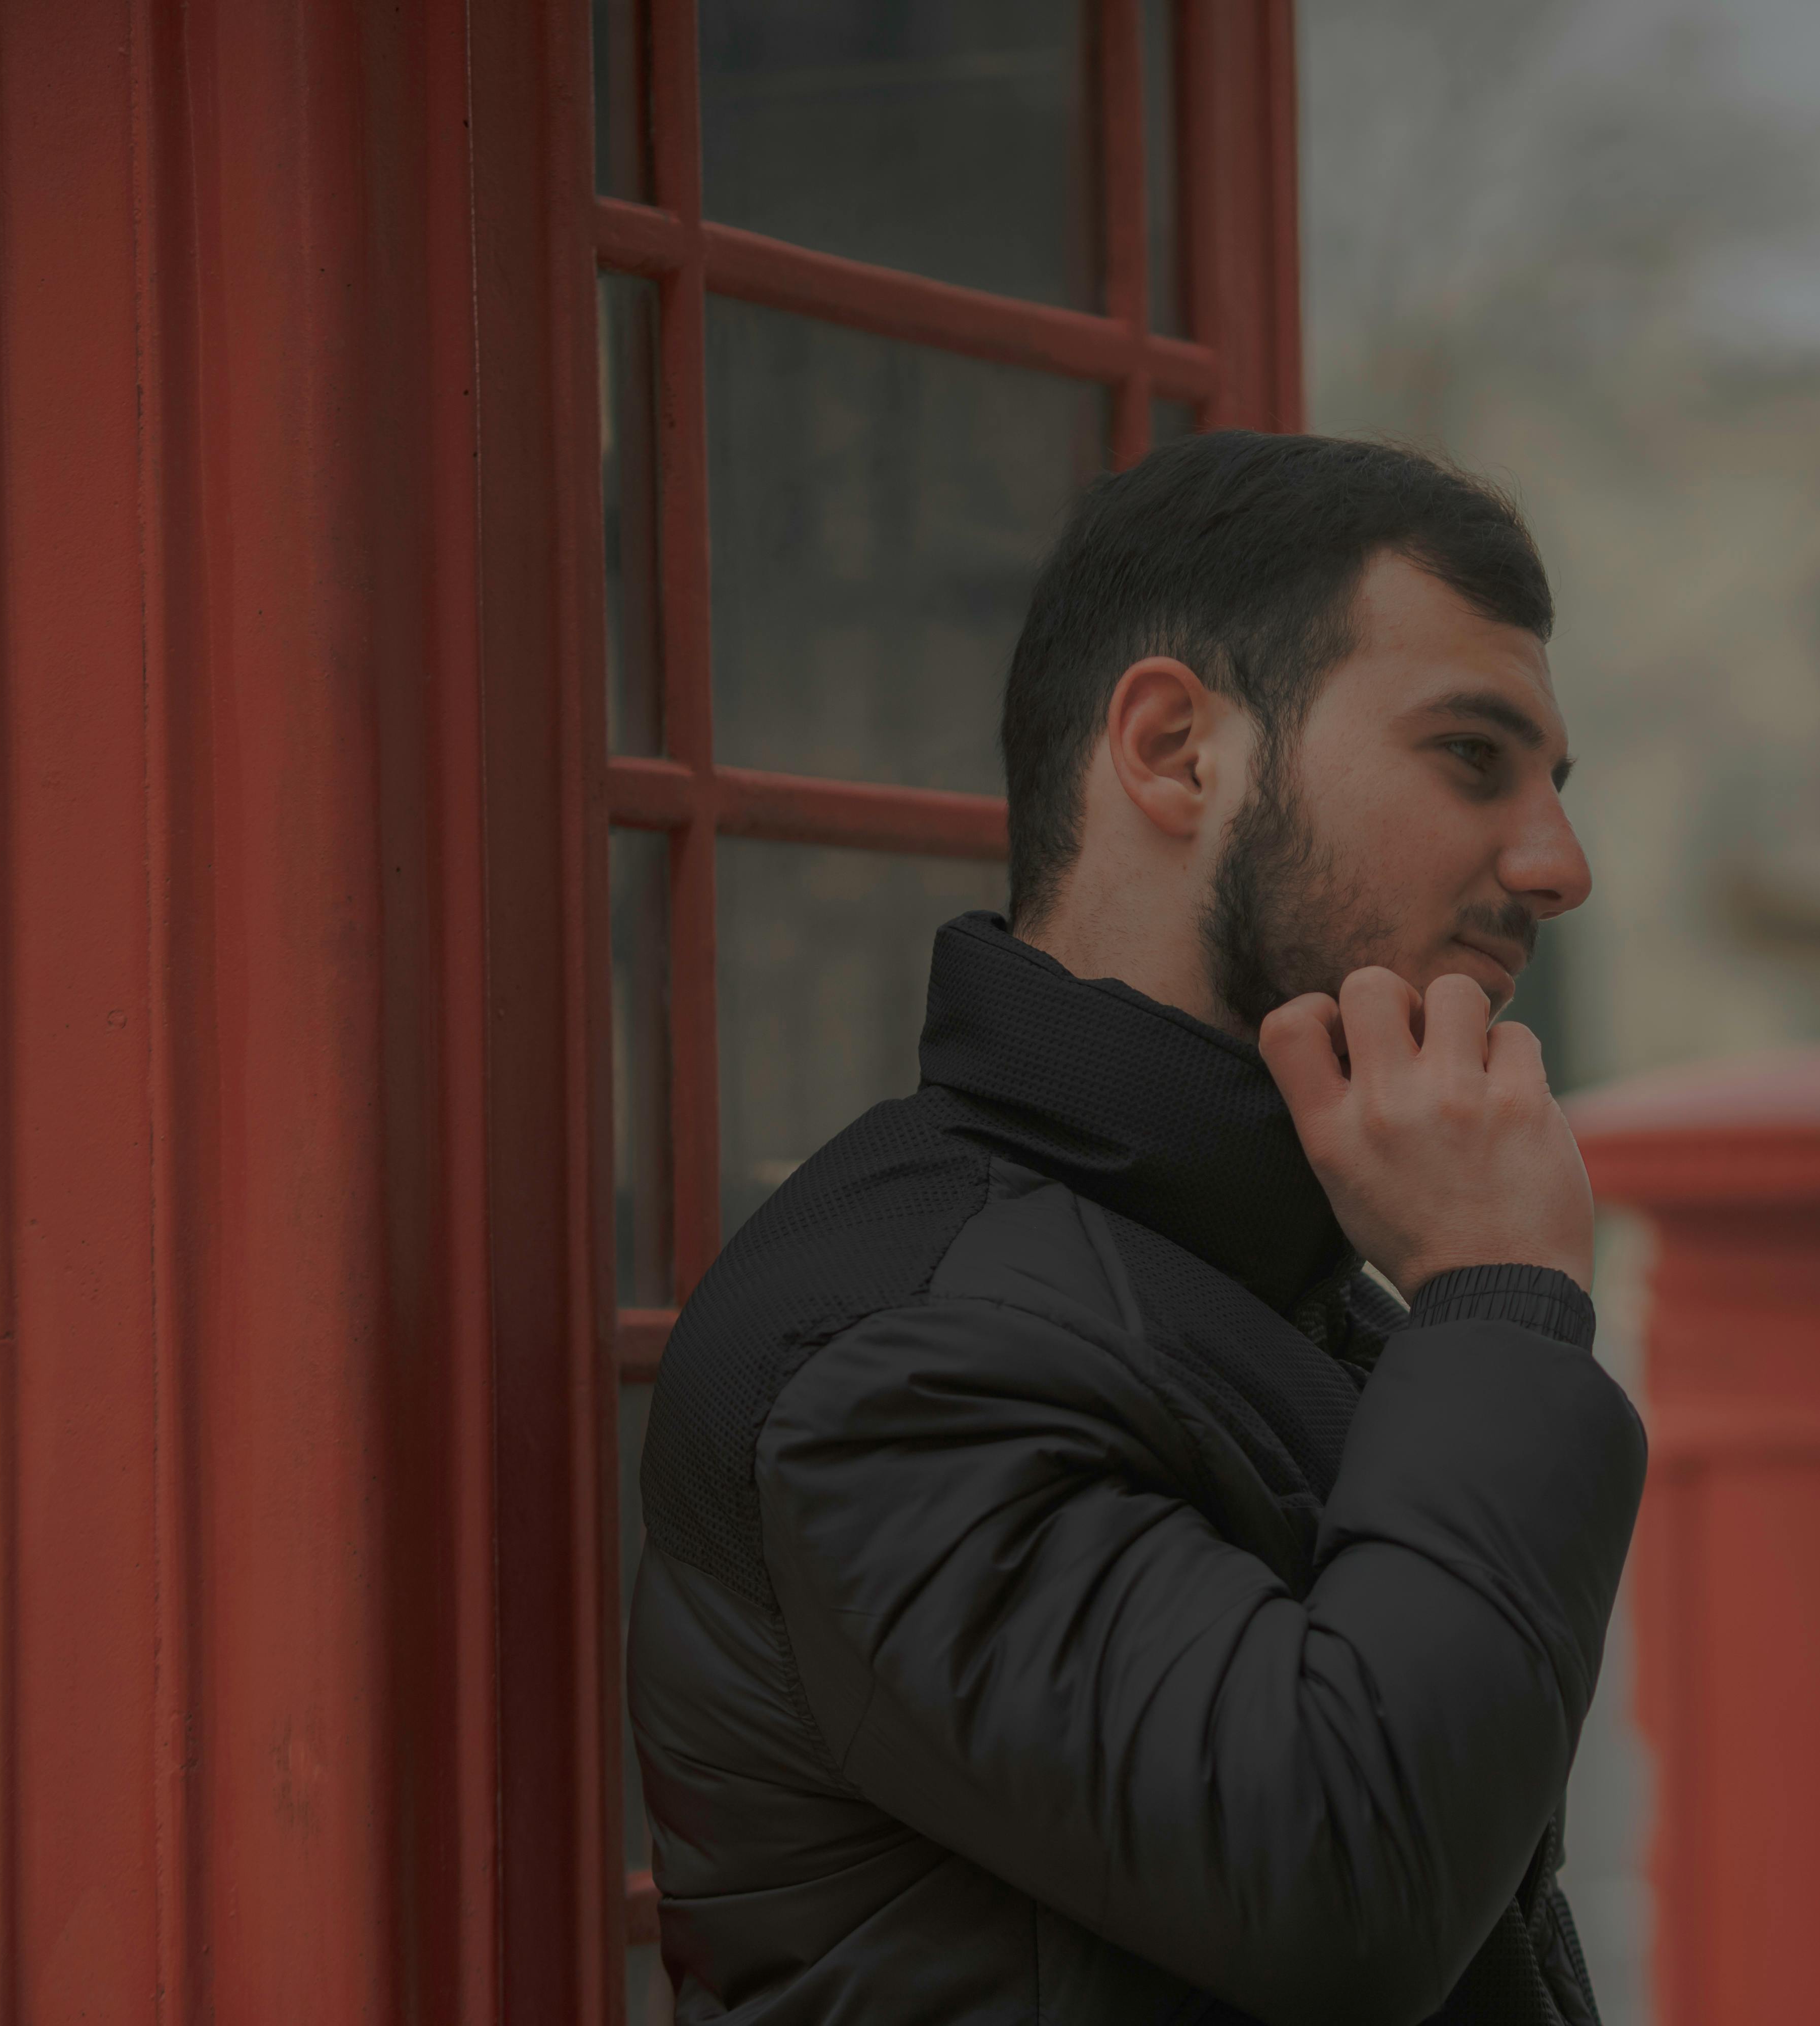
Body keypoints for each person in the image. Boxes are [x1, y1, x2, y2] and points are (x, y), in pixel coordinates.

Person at [629, 431, 1646, 2025]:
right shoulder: (894, 1351)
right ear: (1177, 751)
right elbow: (1343, 1877)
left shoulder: (1289, 1297)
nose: (1557, 864)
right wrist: (1500, 1293)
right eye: (1471, 757)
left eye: (1554, 789)